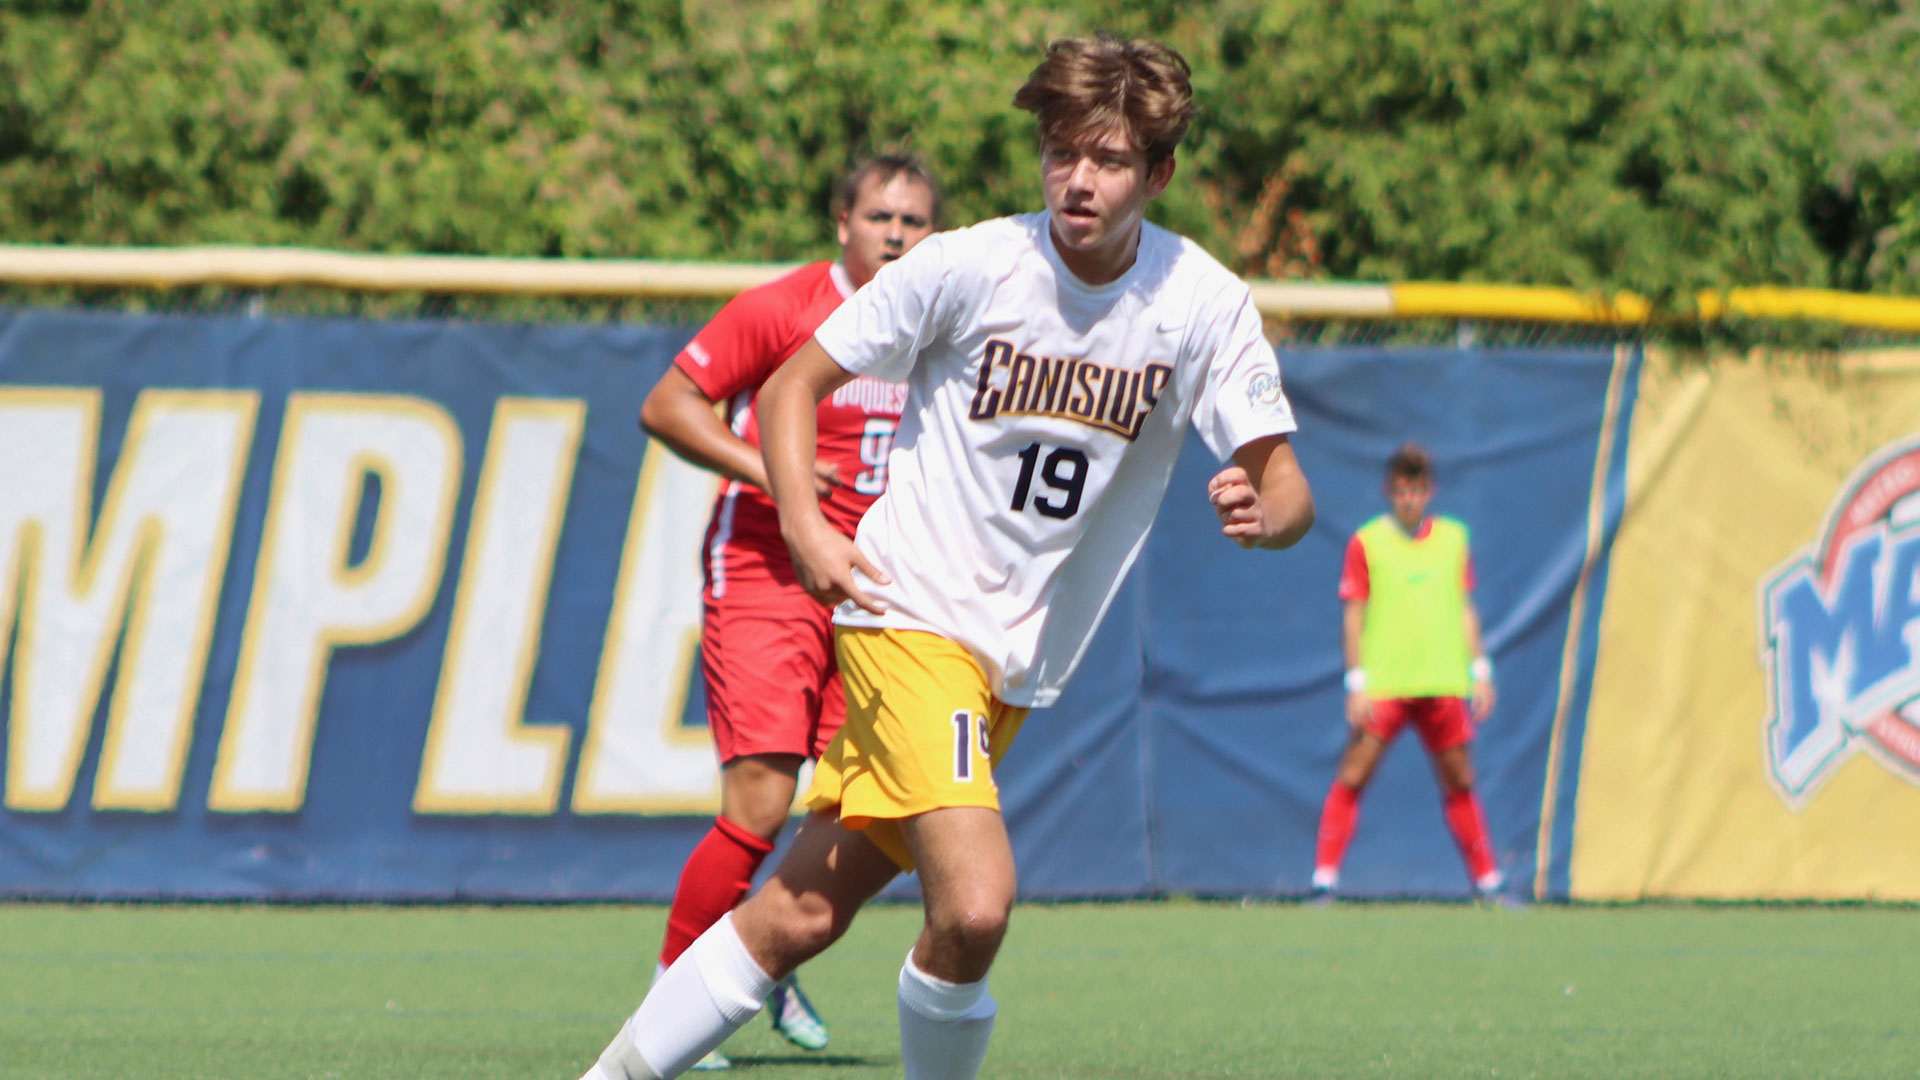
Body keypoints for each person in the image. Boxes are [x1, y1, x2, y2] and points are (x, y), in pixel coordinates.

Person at [578, 34, 1314, 1080]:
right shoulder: (971, 264)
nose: (1079, 179)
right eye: (1062, 152)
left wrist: (1264, 510)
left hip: (1011, 655)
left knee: (800, 911)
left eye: (1108, 160)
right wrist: (803, 523)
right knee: (974, 906)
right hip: (907, 614)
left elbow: (1287, 487)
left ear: (1160, 174)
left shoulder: (1200, 303)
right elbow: (790, 388)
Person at [633, 154, 941, 1069]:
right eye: (879, 215)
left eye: (915, 221)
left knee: (844, 810)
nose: (895, 234)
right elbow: (668, 403)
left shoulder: (944, 319)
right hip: (768, 568)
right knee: (762, 797)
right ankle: (672, 989)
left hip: (876, 586)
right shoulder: (783, 308)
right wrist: (781, 473)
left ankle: (753, 950)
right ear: (840, 222)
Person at [1309, 442, 1502, 902]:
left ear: (1429, 491)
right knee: (1352, 775)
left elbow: (1465, 609)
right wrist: (1356, 683)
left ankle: (1489, 883)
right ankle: (1323, 882)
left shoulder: (1454, 538)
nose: (1409, 499)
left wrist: (1481, 670)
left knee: (1461, 781)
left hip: (1442, 680)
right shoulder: (1367, 541)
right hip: (1385, 685)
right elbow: (1353, 615)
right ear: (1388, 491)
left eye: (1416, 490)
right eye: (1400, 490)